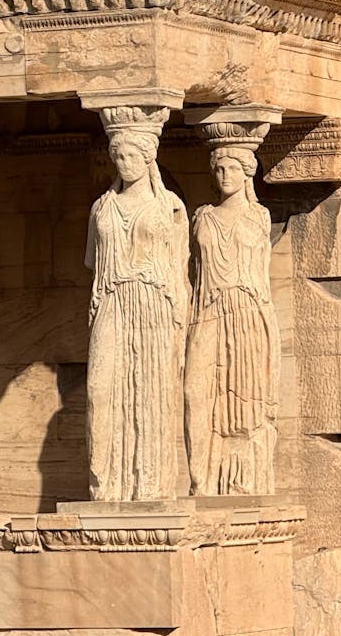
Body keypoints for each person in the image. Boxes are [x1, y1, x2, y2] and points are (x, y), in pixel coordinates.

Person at [85, 111, 188, 501]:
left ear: (148, 158)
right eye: (117, 157)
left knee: (152, 391)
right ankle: (107, 485)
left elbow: (179, 267)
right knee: (101, 388)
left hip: (153, 304)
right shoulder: (102, 208)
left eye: (130, 156)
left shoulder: (170, 207)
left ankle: (149, 487)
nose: (122, 164)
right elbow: (94, 263)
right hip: (112, 300)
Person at [185, 142, 279, 496]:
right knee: (196, 393)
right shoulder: (202, 216)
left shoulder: (259, 216)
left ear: (246, 173)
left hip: (247, 312)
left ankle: (242, 484)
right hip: (207, 311)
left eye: (233, 169)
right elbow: (190, 270)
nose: (225, 176)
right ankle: (201, 480)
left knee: (245, 403)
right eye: (220, 170)